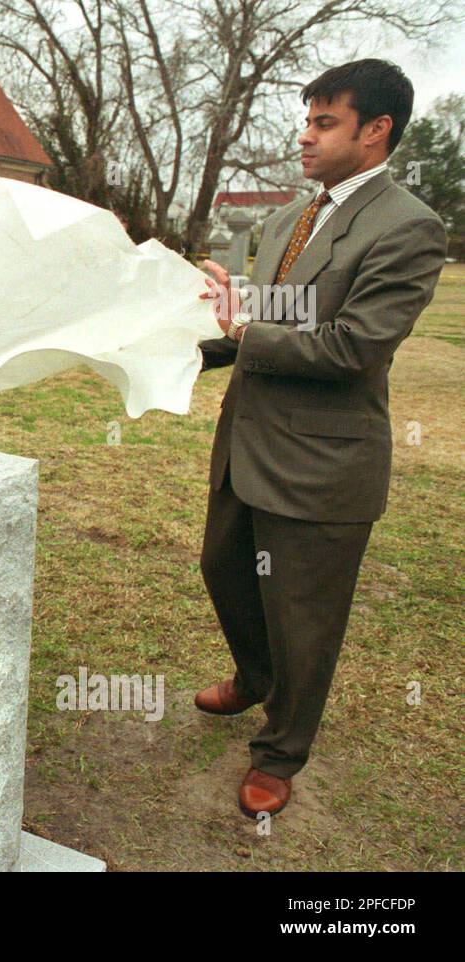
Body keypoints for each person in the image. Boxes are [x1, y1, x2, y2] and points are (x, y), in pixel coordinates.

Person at [194, 59, 446, 818]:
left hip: (323, 465)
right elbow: (263, 330)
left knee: (303, 617)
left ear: (377, 132)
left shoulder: (409, 227)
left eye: (323, 122)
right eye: (306, 120)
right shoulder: (284, 221)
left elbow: (349, 347)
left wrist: (246, 325)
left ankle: (280, 750)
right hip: (248, 446)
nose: (304, 137)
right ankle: (256, 676)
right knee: (223, 571)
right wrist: (160, 343)